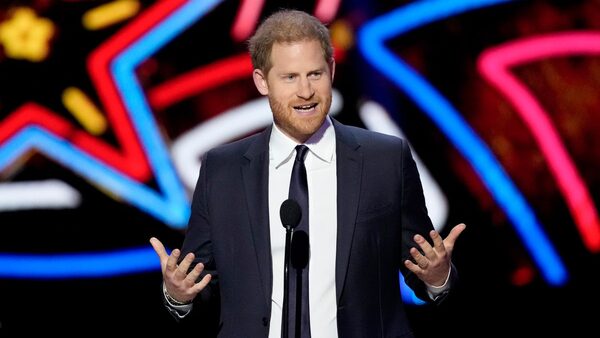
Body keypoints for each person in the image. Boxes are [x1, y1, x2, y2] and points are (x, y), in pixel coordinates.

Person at [150, 8, 466, 338]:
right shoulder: (222, 169)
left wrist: (437, 278)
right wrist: (178, 296)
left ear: (331, 70)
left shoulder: (385, 158)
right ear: (262, 81)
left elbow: (422, 270)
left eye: (315, 74)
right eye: (289, 77)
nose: (305, 91)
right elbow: (200, 284)